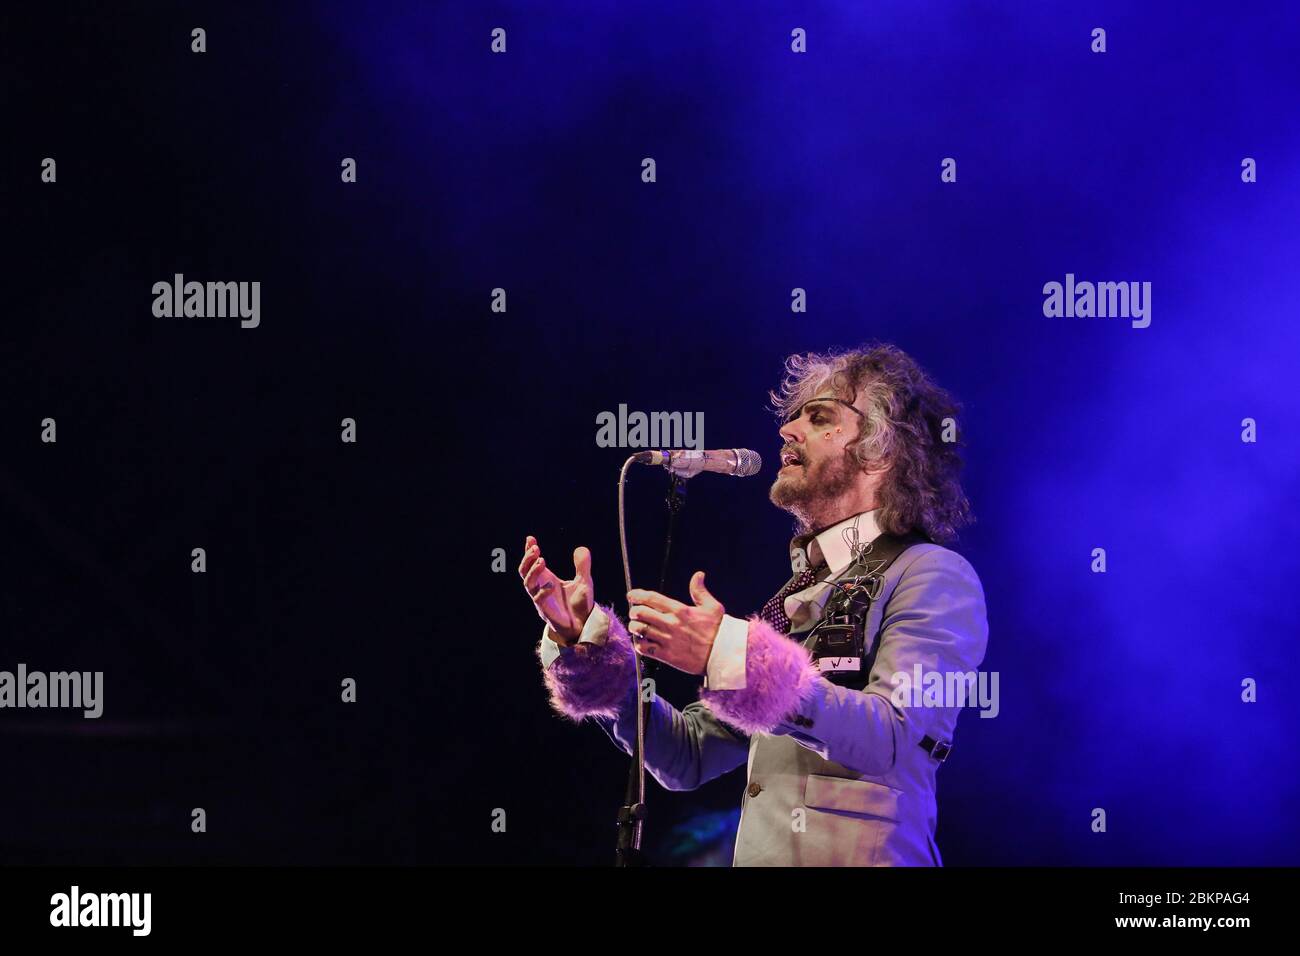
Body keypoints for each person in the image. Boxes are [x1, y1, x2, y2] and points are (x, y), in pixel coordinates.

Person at [520, 343, 989, 866]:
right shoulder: (797, 593)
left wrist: (729, 655)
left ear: (880, 450)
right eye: (793, 417)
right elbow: (687, 754)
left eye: (819, 417)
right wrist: (591, 653)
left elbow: (896, 737)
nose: (787, 430)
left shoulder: (933, 575)